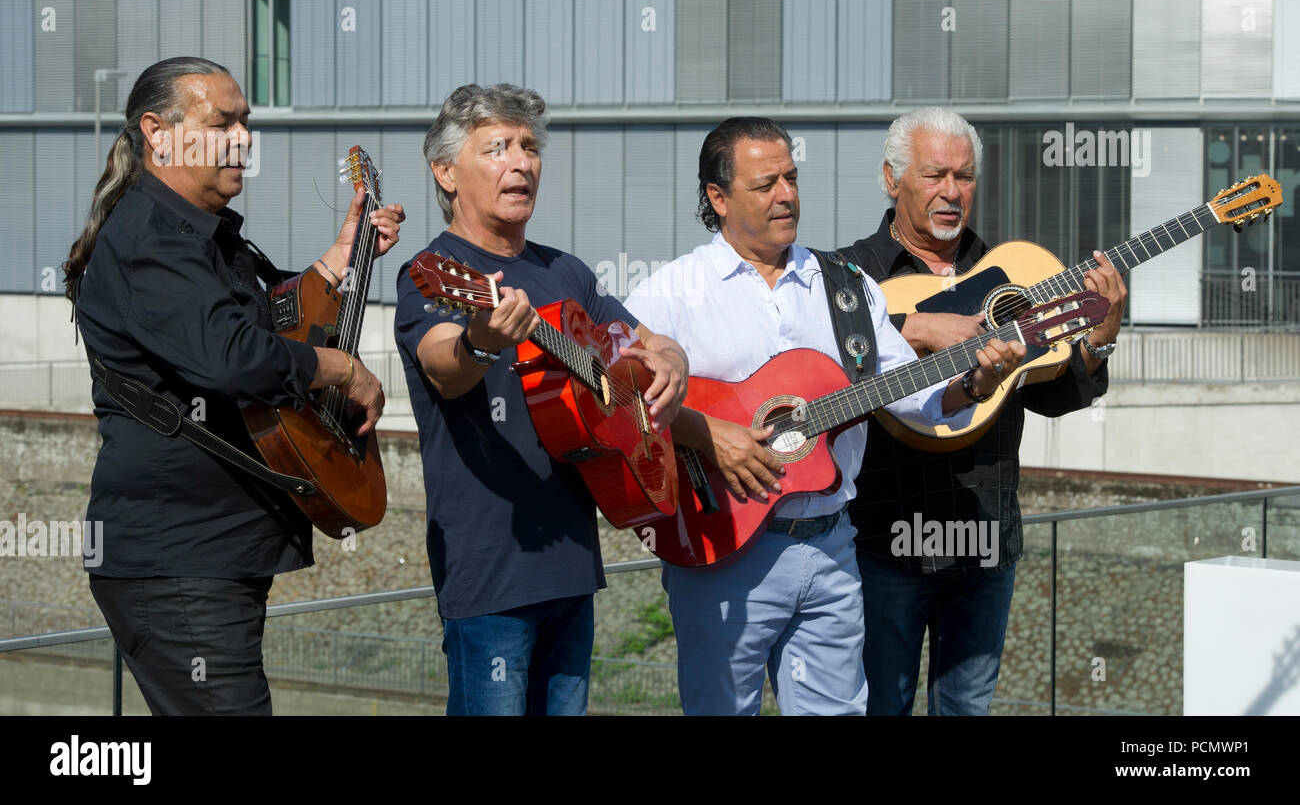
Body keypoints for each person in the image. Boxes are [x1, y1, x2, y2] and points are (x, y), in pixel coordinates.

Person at [624, 117, 1024, 715]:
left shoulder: (844, 285)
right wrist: (710, 436)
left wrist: (976, 380)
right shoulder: (673, 292)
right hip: (722, 548)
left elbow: (914, 397)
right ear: (718, 197)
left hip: (834, 548)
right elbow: (613, 394)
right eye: (765, 184)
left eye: (791, 177)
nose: (786, 194)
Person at [66, 56, 404, 715]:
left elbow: (267, 316)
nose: (244, 139)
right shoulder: (150, 238)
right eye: (224, 122)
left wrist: (339, 260)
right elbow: (233, 356)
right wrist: (342, 370)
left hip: (209, 552)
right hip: (178, 557)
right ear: (158, 133)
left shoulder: (204, 241)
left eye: (246, 123)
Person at [393, 83, 688, 716]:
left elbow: (648, 342)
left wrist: (673, 364)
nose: (521, 162)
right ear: (445, 171)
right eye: (497, 148)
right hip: (489, 573)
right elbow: (443, 366)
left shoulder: (567, 272)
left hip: (572, 564)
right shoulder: (434, 272)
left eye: (529, 147)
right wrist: (479, 339)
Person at [837, 106, 1127, 715]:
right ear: (892, 180)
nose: (951, 193)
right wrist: (915, 326)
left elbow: (1050, 393)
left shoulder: (1010, 275)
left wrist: (1098, 341)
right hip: (882, 543)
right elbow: (818, 355)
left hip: (986, 541)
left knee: (966, 710)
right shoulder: (849, 275)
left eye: (964, 177)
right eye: (934, 175)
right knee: (876, 708)